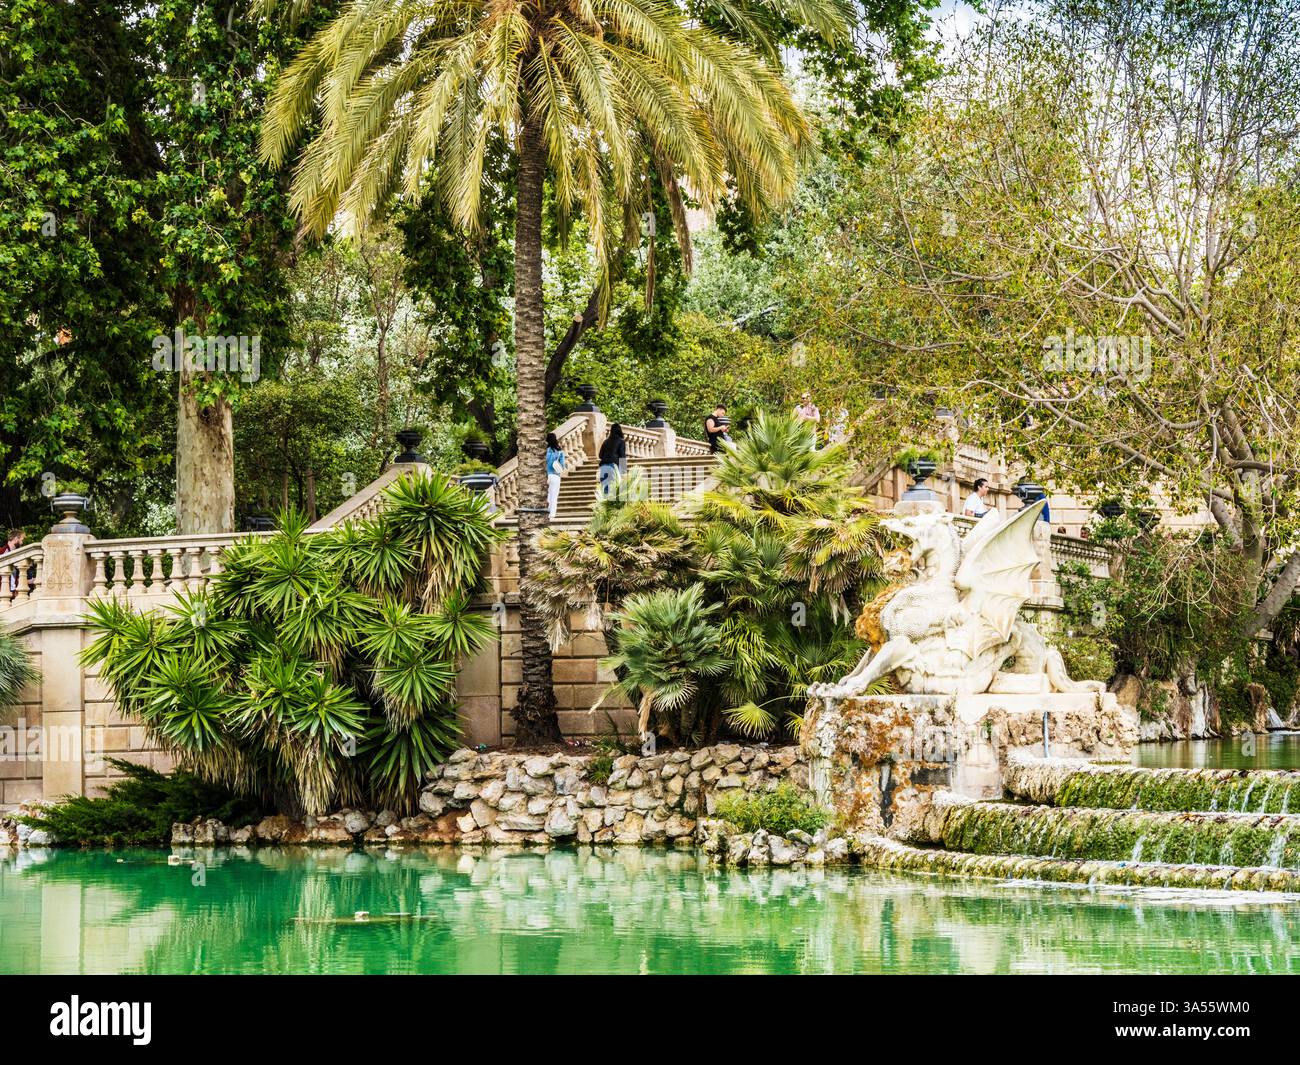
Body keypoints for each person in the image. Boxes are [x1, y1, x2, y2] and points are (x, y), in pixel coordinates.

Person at [598, 423, 627, 499]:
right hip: (613, 466)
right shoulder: (621, 441)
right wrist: (624, 471)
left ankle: (605, 508)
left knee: (605, 489)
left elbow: (600, 455)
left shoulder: (605, 441)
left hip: (603, 466)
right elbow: (622, 456)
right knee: (614, 489)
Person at [545, 432, 566, 519]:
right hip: (555, 476)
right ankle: (552, 514)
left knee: (547, 495)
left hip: (545, 475)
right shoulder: (560, 452)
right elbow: (562, 466)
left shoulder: (545, 451)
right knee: (554, 495)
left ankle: (546, 512)